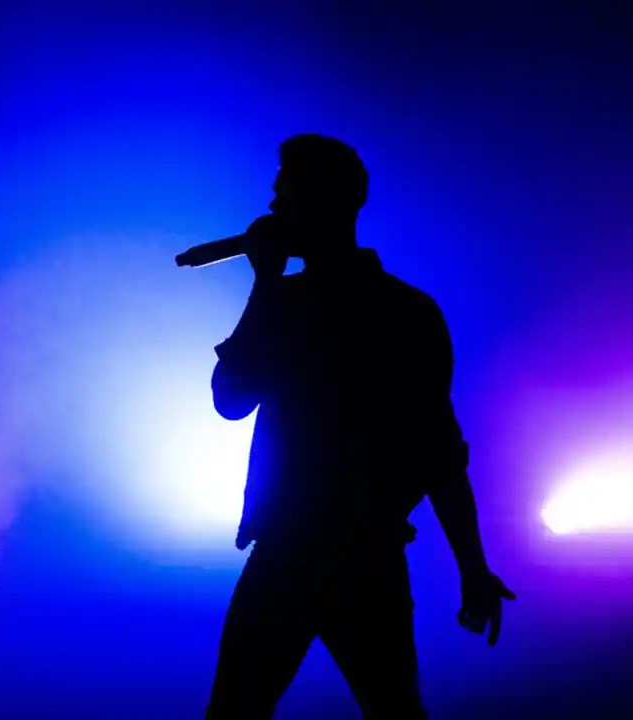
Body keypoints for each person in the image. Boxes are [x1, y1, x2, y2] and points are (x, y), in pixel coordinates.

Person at [204, 134, 514, 719]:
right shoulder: (405, 310)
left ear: (323, 202)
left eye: (285, 194)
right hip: (353, 554)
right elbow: (439, 453)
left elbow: (436, 449)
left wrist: (266, 282)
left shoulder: (364, 310)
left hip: (309, 552)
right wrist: (471, 566)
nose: (272, 206)